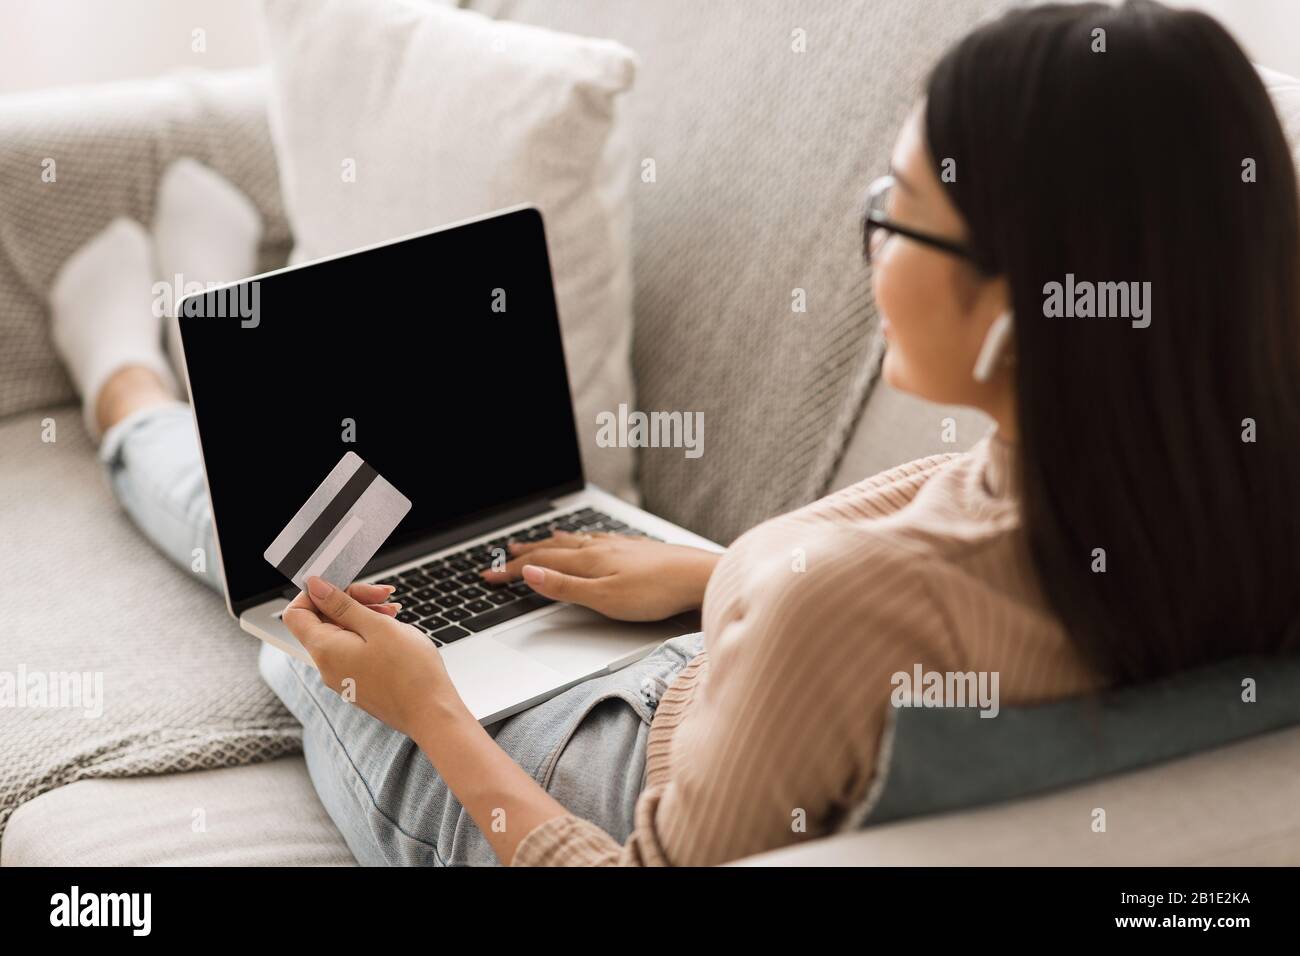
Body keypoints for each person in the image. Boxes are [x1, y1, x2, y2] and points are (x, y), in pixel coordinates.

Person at [49, 0, 1300, 866]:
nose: (867, 234)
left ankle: (126, 382)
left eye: (896, 210)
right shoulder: (1191, 484)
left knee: (301, 559)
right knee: (421, 522)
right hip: (705, 689)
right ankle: (179, 346)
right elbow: (935, 611)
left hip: (543, 785)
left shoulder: (858, 606)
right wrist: (719, 576)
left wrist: (424, 704)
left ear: (1019, 314)